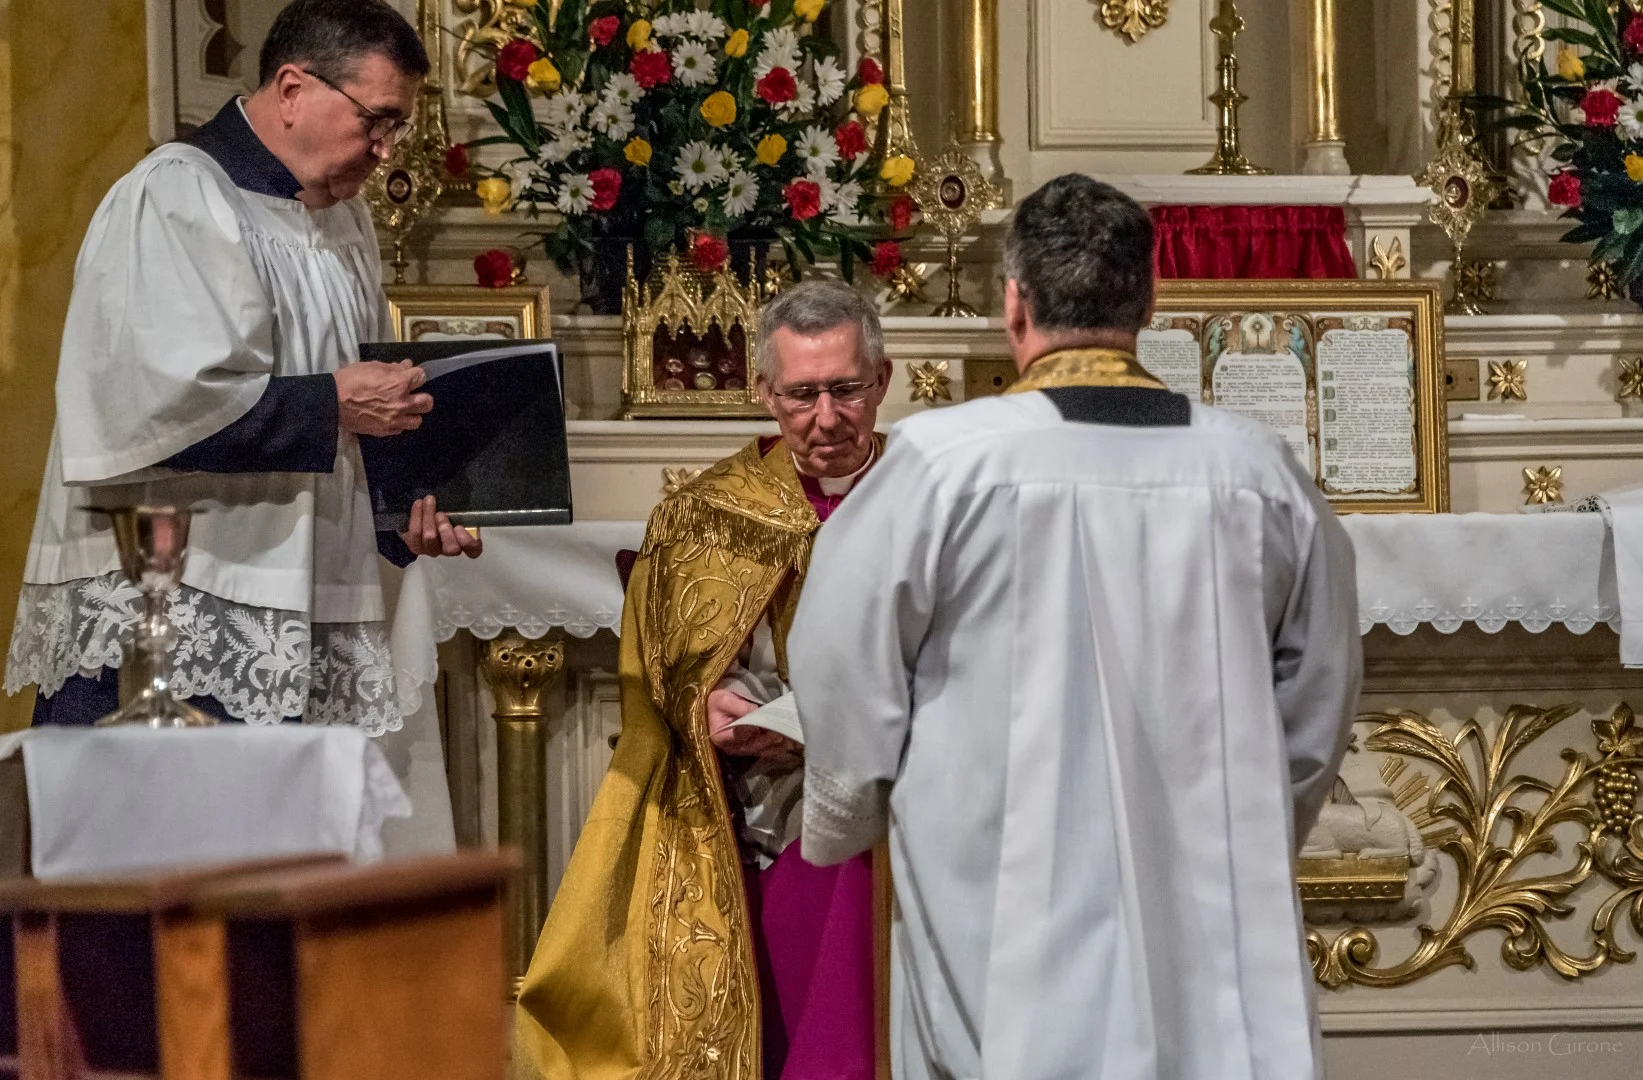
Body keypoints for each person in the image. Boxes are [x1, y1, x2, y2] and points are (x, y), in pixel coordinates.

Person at [788, 175, 1362, 1080]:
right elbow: (1319, 687)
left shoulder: (946, 464)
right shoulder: (1255, 470)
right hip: (1206, 902)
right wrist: (1249, 822)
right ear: (1150, 300)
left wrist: (844, 816)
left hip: (998, 903)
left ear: (1012, 303)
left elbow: (840, 658)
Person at [5, 0, 479, 733]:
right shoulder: (176, 196)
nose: (386, 149)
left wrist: (404, 517)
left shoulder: (344, 222)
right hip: (177, 612)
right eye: (375, 120)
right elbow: (148, 406)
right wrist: (332, 405)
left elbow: (356, 407)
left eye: (398, 128)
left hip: (303, 599)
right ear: (292, 89)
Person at [515, 280, 892, 1080]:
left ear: (882, 382)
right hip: (754, 807)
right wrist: (704, 709)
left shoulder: (928, 500)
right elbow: (659, 672)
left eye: (845, 390)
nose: (825, 418)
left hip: (897, 807)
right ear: (762, 392)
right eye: (800, 395)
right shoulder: (705, 514)